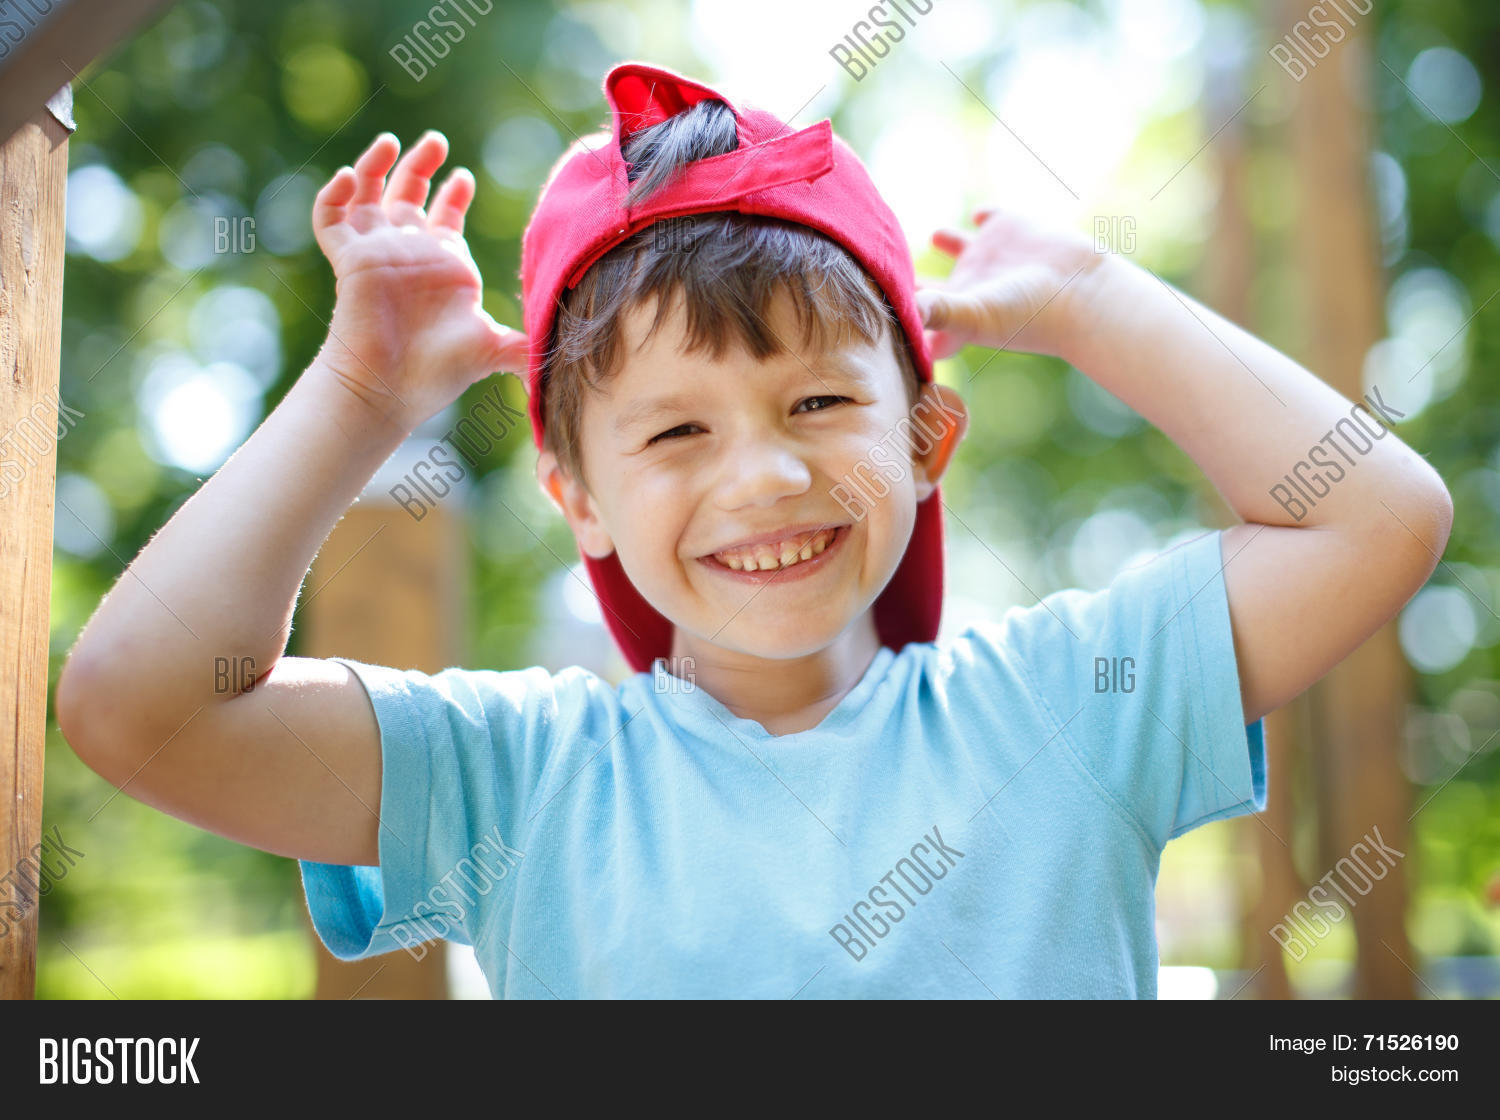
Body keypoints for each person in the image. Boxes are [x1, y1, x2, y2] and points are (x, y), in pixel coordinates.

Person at [56, 62, 1452, 998]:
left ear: (927, 440)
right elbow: (139, 709)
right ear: (578, 499)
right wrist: (361, 394)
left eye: (821, 401)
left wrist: (1092, 295)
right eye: (675, 432)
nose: (764, 478)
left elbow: (1379, 518)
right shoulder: (516, 779)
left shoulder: (1069, 708)